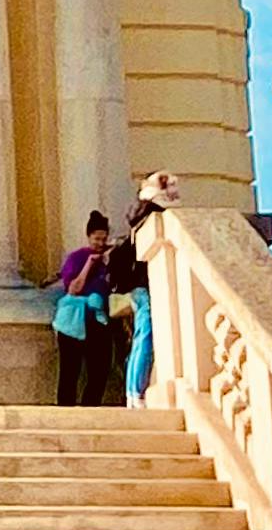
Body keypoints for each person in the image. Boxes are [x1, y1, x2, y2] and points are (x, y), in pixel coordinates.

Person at [123, 172, 180, 403]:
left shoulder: (144, 210)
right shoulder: (149, 210)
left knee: (143, 336)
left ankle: (133, 392)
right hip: (143, 283)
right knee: (145, 336)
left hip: (141, 284)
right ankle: (135, 392)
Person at [51, 211, 115, 405]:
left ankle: (91, 406)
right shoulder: (76, 258)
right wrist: (89, 265)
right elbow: (74, 288)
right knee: (70, 369)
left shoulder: (108, 259)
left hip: (98, 319)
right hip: (73, 320)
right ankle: (65, 409)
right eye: (96, 239)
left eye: (103, 239)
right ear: (89, 237)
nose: (100, 243)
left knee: (100, 369)